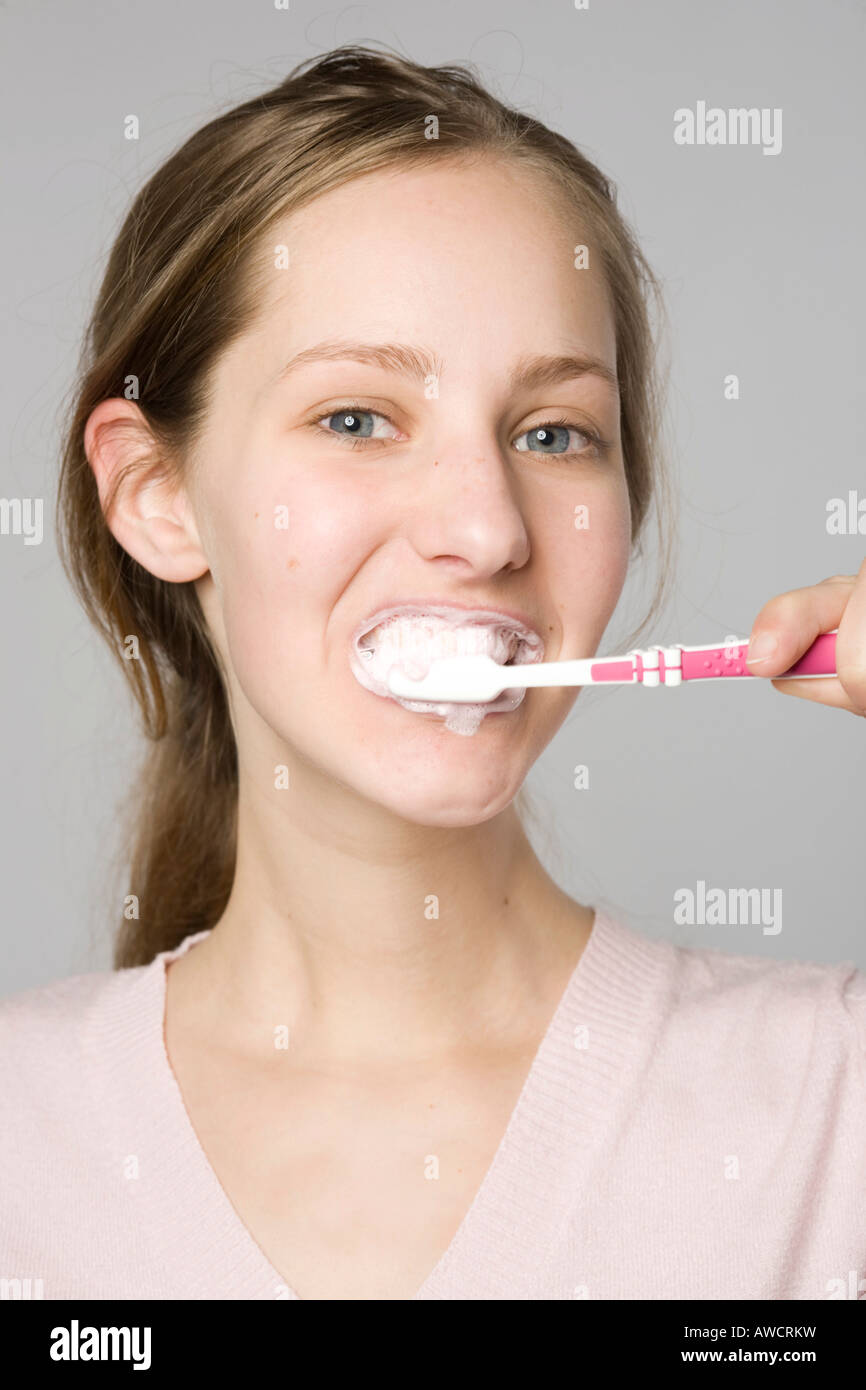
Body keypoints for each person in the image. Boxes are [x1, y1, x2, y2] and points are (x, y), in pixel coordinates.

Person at [1, 45, 864, 1302]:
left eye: (553, 433)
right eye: (357, 418)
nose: (488, 527)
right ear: (156, 493)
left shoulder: (830, 1106)